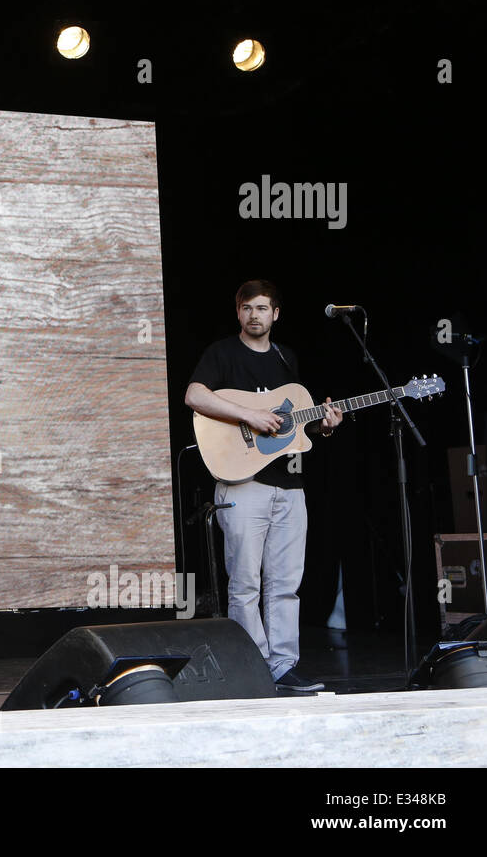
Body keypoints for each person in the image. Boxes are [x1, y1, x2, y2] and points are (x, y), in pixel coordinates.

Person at [185, 280, 341, 694]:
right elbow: (195, 395)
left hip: (289, 485)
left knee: (286, 584)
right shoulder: (221, 353)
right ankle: (251, 667)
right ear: (238, 313)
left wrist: (324, 426)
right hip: (242, 485)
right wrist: (248, 416)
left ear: (276, 314)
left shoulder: (286, 358)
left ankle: (283, 668)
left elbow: (293, 429)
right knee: (245, 583)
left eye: (263, 308)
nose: (255, 315)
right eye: (247, 308)